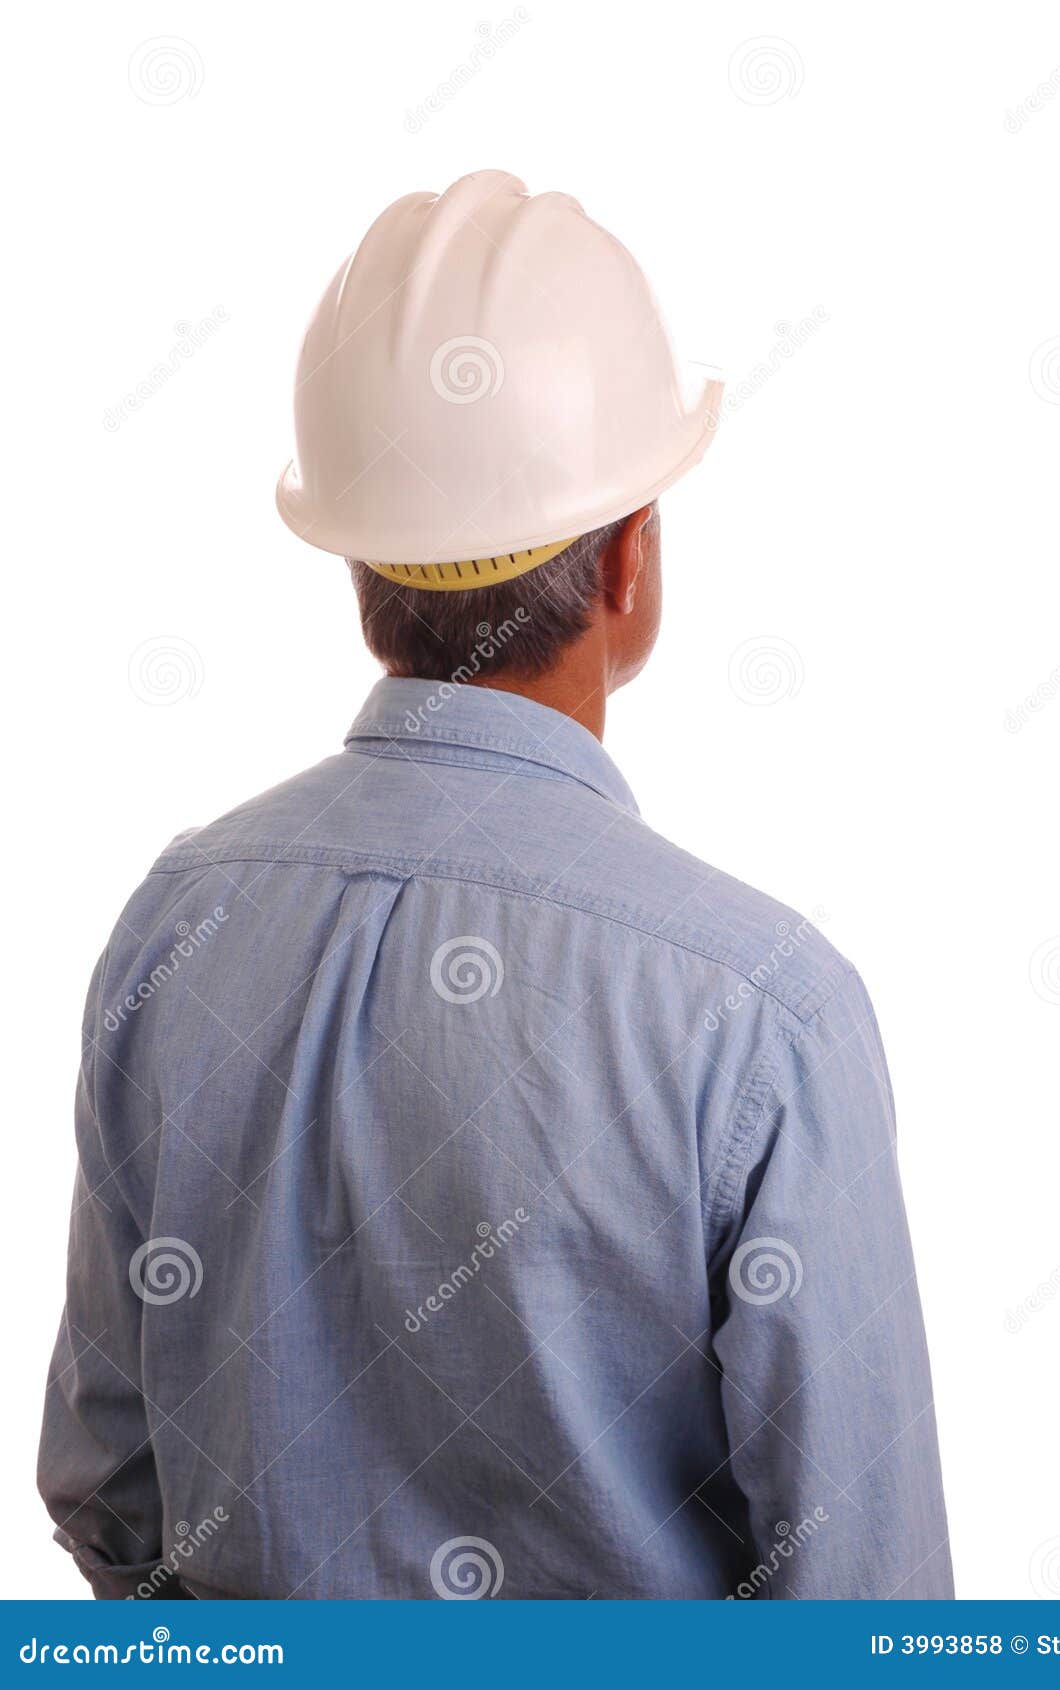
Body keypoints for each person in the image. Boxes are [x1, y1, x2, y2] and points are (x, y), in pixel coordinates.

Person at [39, 171, 951, 1600]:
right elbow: (860, 1600)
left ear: (355, 562)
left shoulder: (175, 920)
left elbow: (107, 1481)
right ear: (630, 560)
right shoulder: (755, 1010)